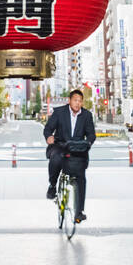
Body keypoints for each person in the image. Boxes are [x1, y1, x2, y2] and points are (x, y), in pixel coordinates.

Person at [44, 89, 96, 222]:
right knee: (55, 159)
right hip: (60, 145)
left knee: (81, 178)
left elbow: (91, 134)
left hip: (77, 149)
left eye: (80, 101)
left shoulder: (86, 115)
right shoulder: (59, 112)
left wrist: (88, 142)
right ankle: (52, 186)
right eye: (75, 100)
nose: (77, 103)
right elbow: (48, 128)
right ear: (69, 100)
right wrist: (49, 136)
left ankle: (79, 212)